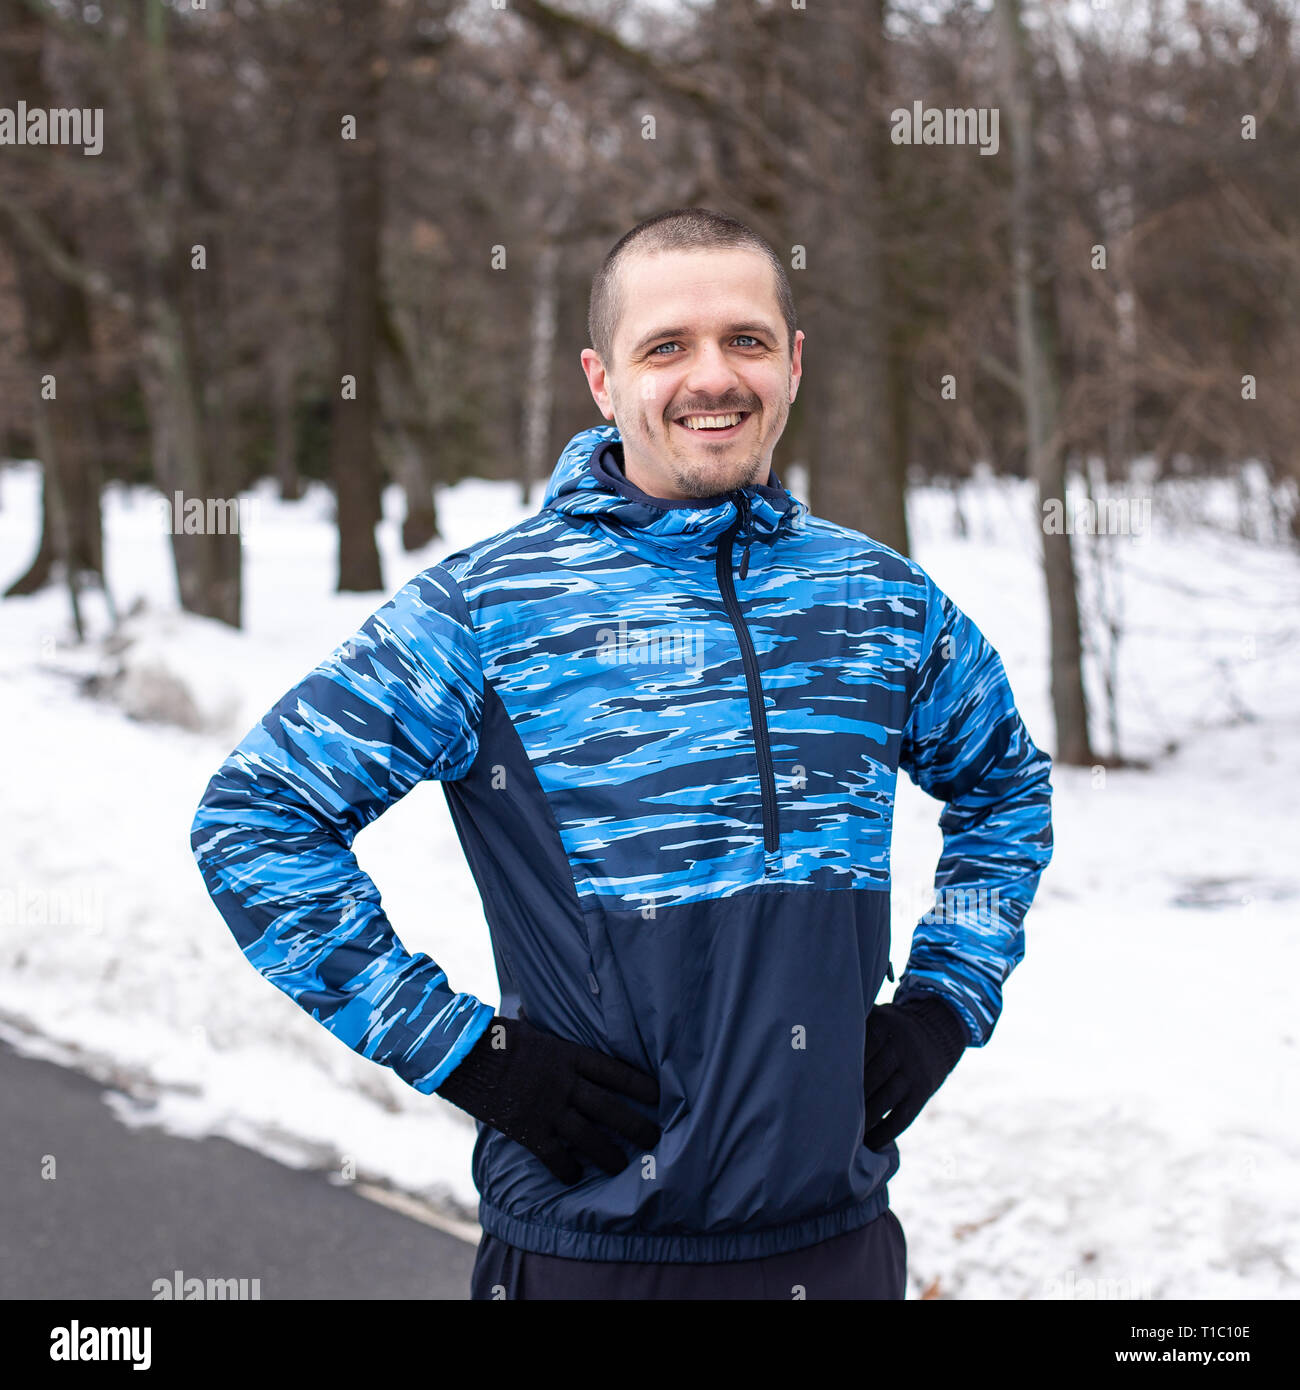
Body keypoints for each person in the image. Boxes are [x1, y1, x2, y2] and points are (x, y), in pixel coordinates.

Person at [190, 207, 1054, 1300]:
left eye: (745, 340)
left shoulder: (875, 598)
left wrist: (944, 1002)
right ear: (603, 380)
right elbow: (255, 819)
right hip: (592, 1256)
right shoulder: (489, 611)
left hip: (836, 1246)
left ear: (792, 364)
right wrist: (466, 1055)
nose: (712, 377)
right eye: (666, 346)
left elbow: (1004, 787)